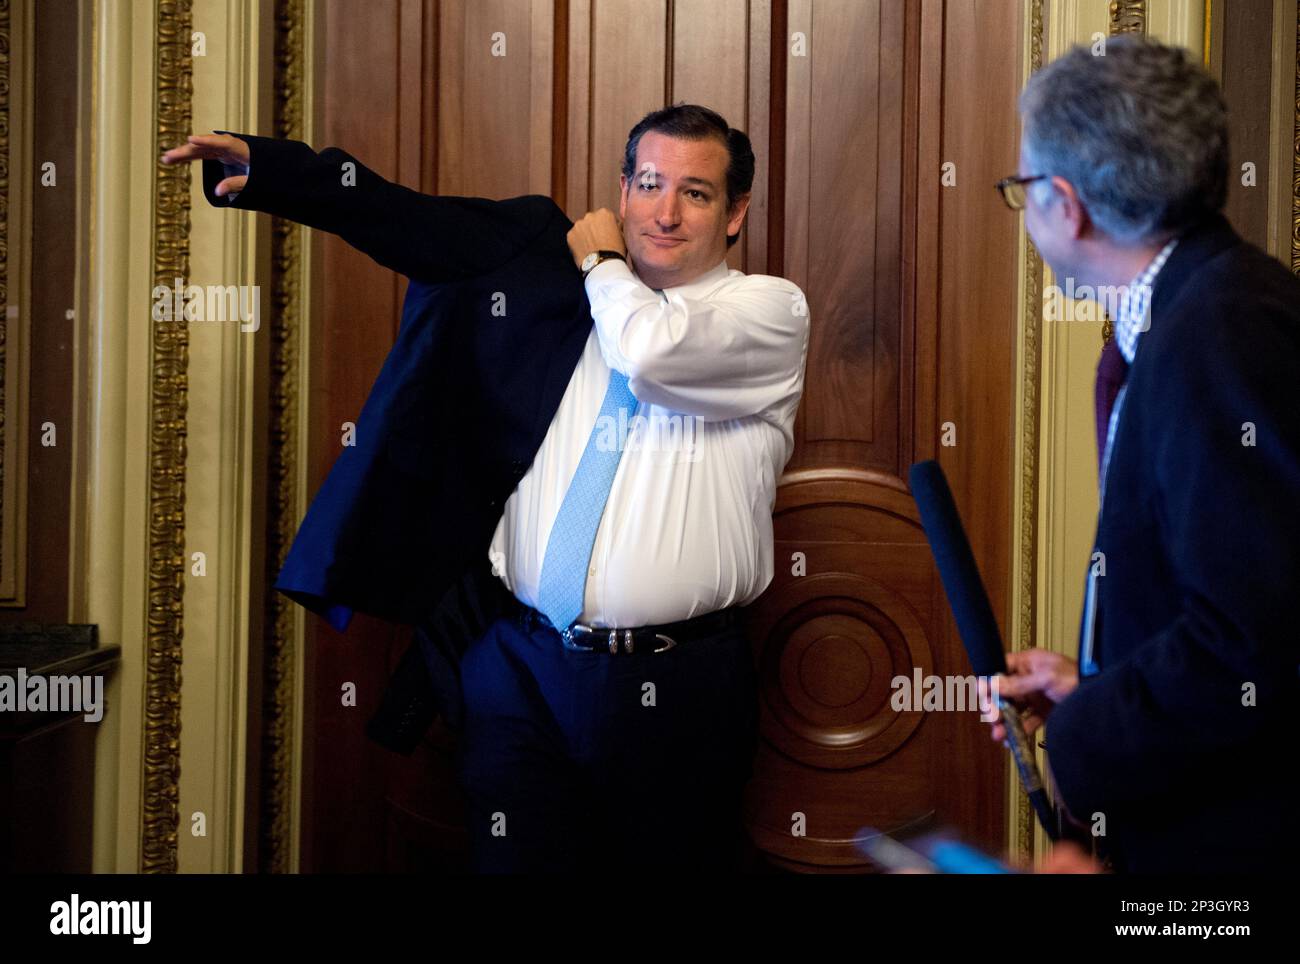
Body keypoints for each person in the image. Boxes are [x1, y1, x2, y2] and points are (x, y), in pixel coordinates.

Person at [163, 103, 810, 872]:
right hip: (519, 670)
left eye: (695, 193)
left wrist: (601, 262)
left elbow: (651, 356)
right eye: (648, 184)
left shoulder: (767, 312)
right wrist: (282, 172)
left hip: (676, 686)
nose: (663, 212)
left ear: (735, 212)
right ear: (623, 189)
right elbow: (413, 221)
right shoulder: (546, 281)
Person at [986, 36, 1300, 873]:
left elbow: (1251, 640)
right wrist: (1096, 687)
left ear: (1066, 203)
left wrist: (1088, 729)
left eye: (1023, 192)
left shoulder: (1220, 330)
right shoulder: (1203, 306)